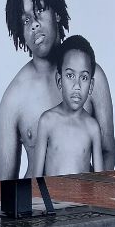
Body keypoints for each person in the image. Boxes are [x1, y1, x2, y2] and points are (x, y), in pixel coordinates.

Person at [0, 0, 115, 179]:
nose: (34, 24)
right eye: (25, 20)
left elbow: (107, 150)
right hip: (36, 198)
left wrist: (95, 193)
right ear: (21, 33)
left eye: (40, 10)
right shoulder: (13, 98)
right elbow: (5, 183)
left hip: (81, 196)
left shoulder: (93, 76)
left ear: (57, 13)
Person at [31, 36, 103, 176]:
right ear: (59, 80)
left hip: (81, 191)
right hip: (51, 190)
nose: (77, 86)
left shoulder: (92, 127)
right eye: (70, 75)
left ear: (91, 85)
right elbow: (37, 176)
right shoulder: (47, 121)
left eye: (84, 78)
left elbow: (100, 178)